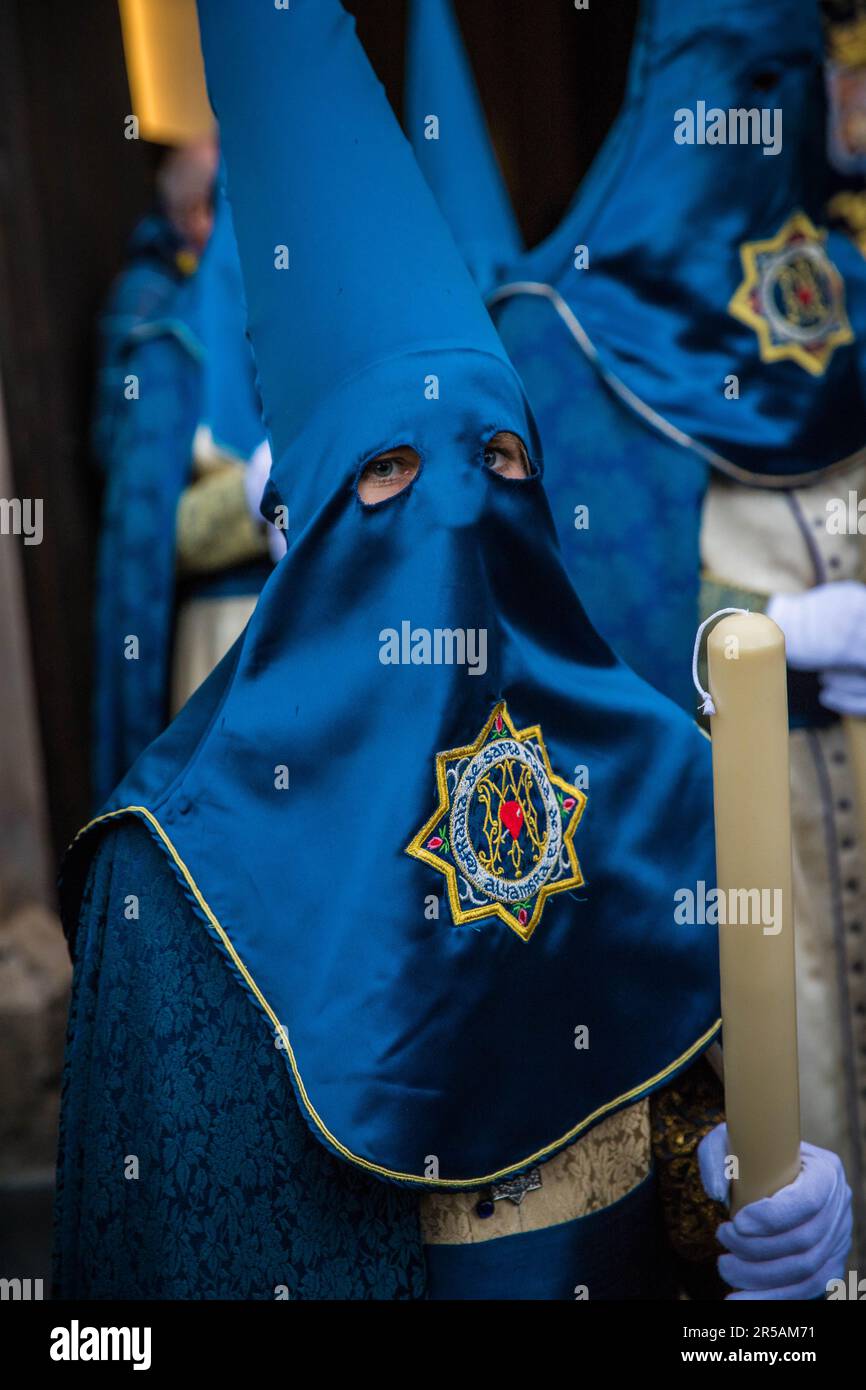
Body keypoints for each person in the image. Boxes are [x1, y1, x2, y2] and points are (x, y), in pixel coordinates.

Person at [54, 0, 850, 1301]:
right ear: (299, 524)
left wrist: (734, 1202)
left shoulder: (633, 767)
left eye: (496, 459)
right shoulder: (175, 879)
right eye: (384, 470)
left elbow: (642, 1118)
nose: (454, 509)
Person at [407, 0, 866, 1263]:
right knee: (779, 1168)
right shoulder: (556, 335)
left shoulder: (849, 302)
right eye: (776, 79)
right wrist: (767, 623)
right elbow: (556, 639)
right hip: (726, 818)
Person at [91, 144, 277, 807]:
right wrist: (255, 493)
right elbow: (146, 532)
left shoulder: (293, 316)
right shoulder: (163, 332)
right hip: (224, 639)